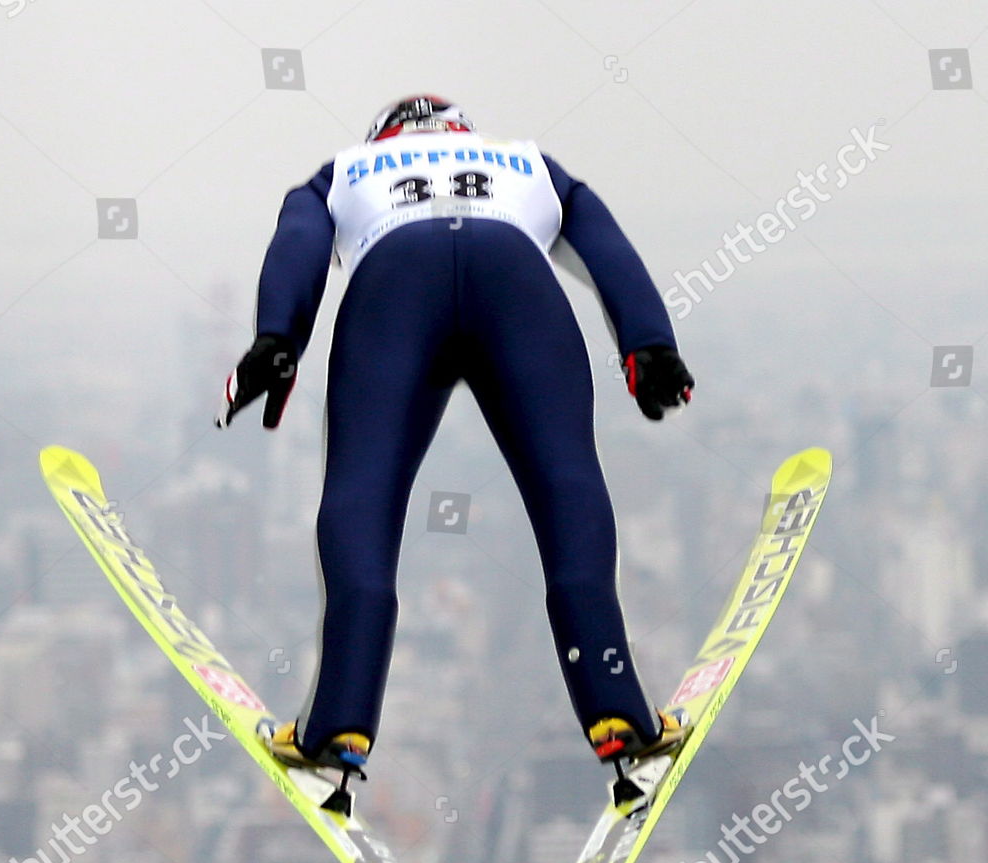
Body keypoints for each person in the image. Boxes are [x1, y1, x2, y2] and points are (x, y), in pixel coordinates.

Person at [217, 95, 695, 777]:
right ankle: (617, 707)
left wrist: (276, 337)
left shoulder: (343, 171)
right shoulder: (527, 160)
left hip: (394, 280)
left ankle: (339, 723)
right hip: (515, 278)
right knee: (568, 483)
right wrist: (649, 344)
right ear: (464, 132)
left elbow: (299, 243)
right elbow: (605, 246)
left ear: (382, 137)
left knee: (363, 494)